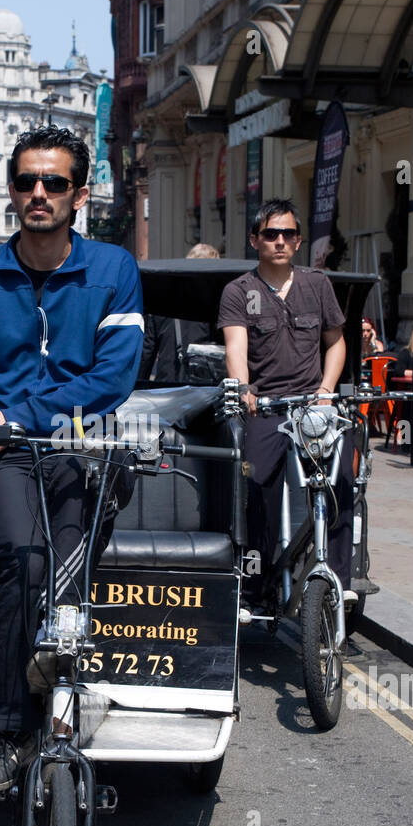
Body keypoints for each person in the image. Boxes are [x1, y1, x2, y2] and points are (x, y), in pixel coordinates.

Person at [0, 126, 144, 792]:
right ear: (12, 191)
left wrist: (18, 418)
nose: (39, 193)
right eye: (26, 182)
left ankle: (65, 706)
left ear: (79, 194)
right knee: (25, 556)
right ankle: (11, 733)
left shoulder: (112, 270)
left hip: (83, 451)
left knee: (66, 566)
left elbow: (112, 377)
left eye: (55, 182)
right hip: (1, 461)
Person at [217, 198, 352, 614]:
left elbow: (336, 343)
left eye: (289, 234)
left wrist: (327, 389)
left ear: (297, 240)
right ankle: (257, 590)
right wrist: (245, 391)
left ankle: (339, 582)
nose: (280, 241)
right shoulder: (240, 292)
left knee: (341, 481)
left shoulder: (317, 285)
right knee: (256, 487)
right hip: (268, 408)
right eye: (271, 234)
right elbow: (235, 348)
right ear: (255, 239)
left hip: (314, 408)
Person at [138, 242, 219, 382]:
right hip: (204, 387)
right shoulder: (216, 305)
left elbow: (147, 351)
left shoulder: (162, 303)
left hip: (167, 384)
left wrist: (138, 384)